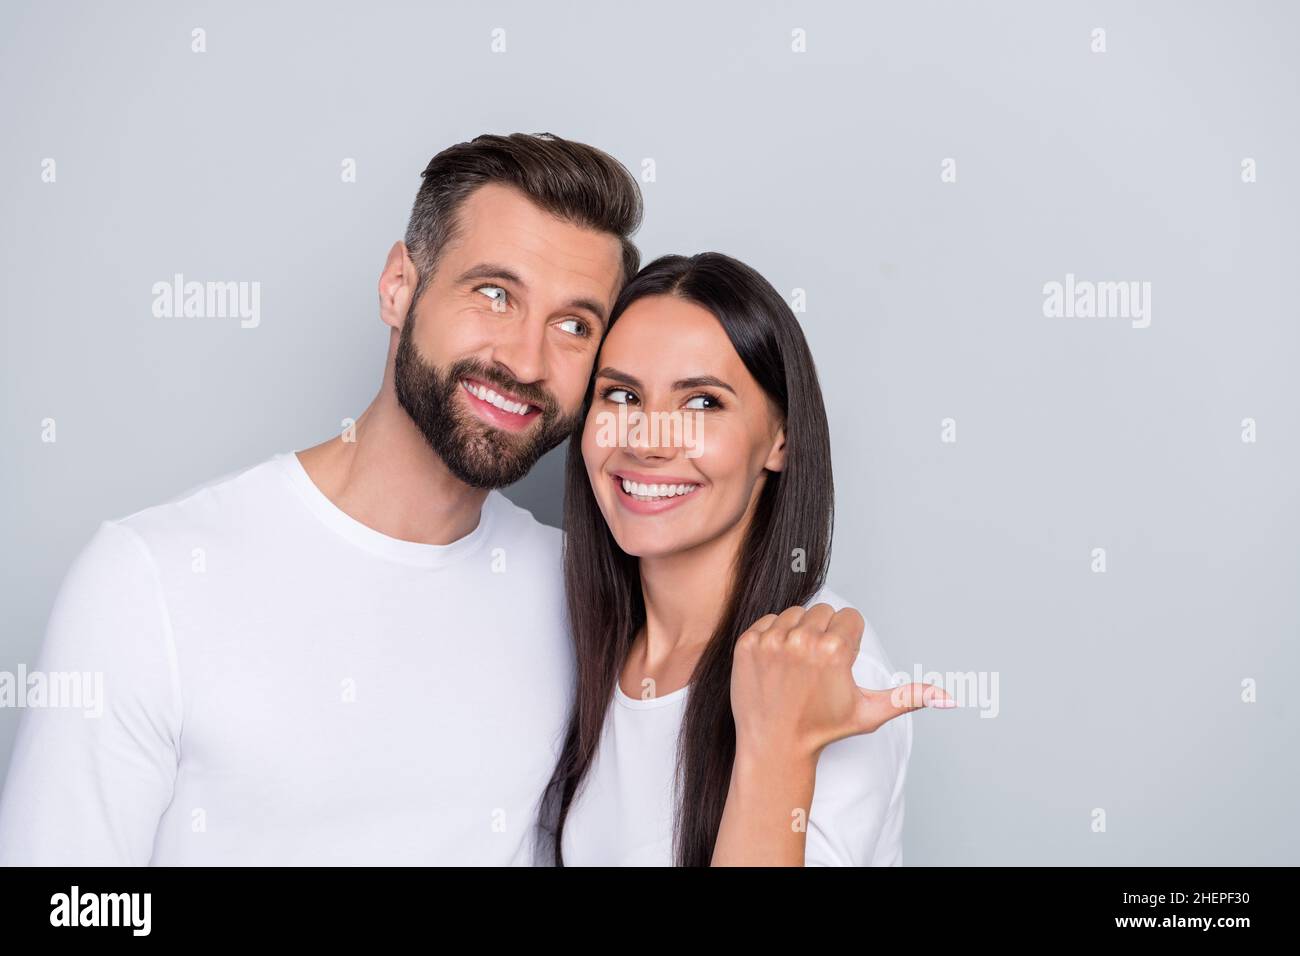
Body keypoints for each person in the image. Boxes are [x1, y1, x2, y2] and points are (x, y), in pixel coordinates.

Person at [0, 133, 643, 864]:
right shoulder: (149, 578)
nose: (526, 360)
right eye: (494, 294)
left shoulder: (582, 589)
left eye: (573, 326)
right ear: (400, 285)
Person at [540, 253, 954, 866]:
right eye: (622, 395)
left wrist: (777, 741)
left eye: (702, 403)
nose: (648, 441)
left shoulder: (824, 661)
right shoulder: (589, 641)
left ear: (780, 438)